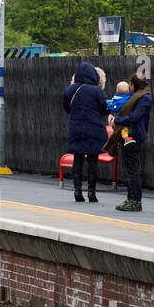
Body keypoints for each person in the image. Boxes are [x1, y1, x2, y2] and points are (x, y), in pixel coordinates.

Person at [63, 62, 109, 202]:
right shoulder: (97, 91)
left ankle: (77, 191)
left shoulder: (70, 90)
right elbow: (105, 109)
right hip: (94, 129)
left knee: (77, 159)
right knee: (92, 161)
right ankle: (91, 192)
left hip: (76, 128)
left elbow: (67, 108)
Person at [109, 74, 152, 211]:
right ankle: (130, 198)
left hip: (134, 137)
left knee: (132, 170)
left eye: (130, 84)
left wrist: (117, 120)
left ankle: (135, 201)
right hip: (129, 136)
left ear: (135, 85)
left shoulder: (143, 98)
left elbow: (134, 118)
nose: (129, 86)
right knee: (128, 169)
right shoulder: (138, 97)